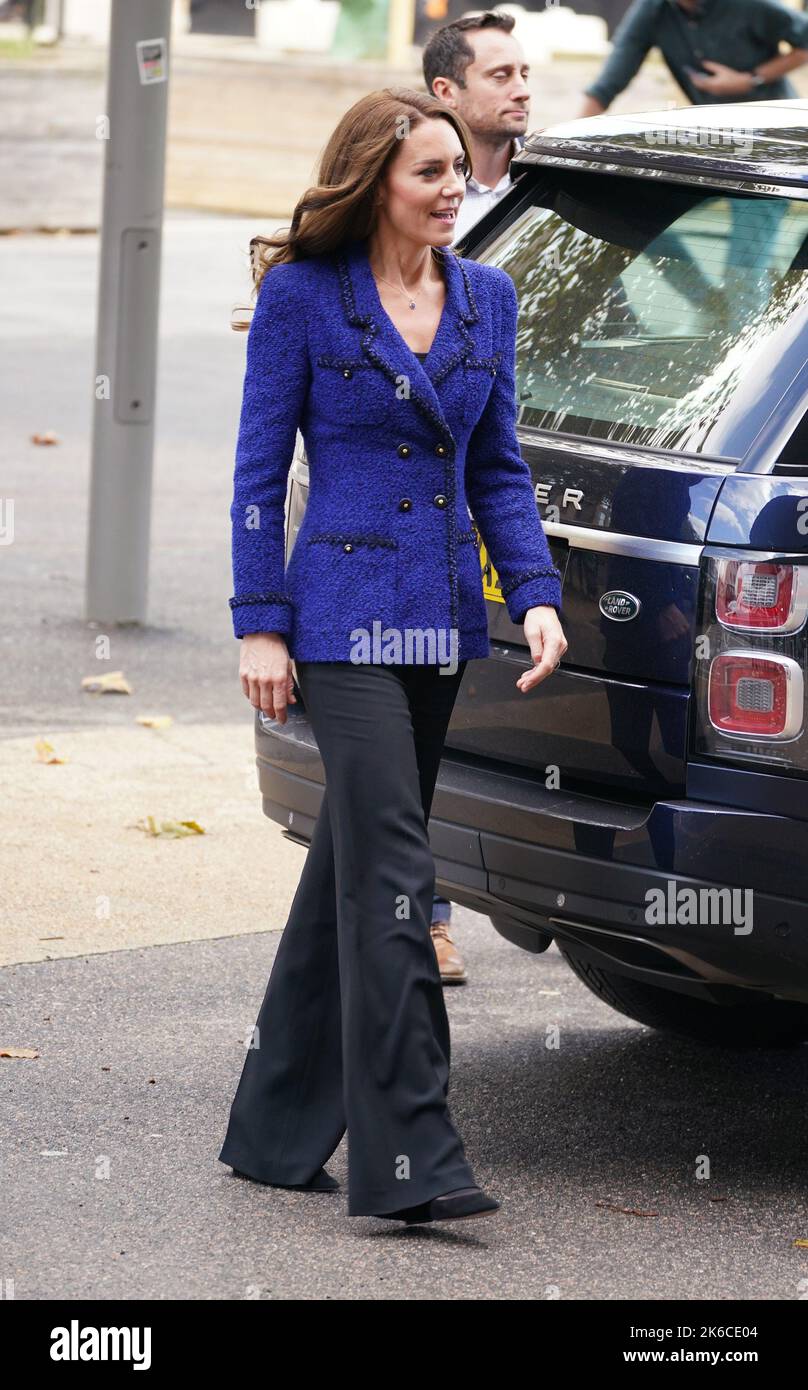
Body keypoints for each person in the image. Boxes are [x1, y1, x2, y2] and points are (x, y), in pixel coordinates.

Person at [217, 87, 567, 1226]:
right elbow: (258, 475)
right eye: (430, 172)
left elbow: (498, 468)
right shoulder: (304, 299)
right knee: (399, 879)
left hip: (439, 619)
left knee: (354, 867)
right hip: (339, 618)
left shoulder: (488, 298)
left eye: (459, 170)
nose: (454, 188)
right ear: (376, 182)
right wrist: (259, 622)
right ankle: (413, 1153)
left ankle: (274, 1131)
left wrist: (538, 594)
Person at [579, 0, 808, 117]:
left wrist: (751, 79)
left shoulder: (749, 4)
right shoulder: (653, 10)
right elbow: (608, 84)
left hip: (770, 125)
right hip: (712, 134)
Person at [423, 10, 530, 246]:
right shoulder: (410, 192)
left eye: (524, 75)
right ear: (446, 91)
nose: (523, 91)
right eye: (501, 76)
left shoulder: (552, 177)